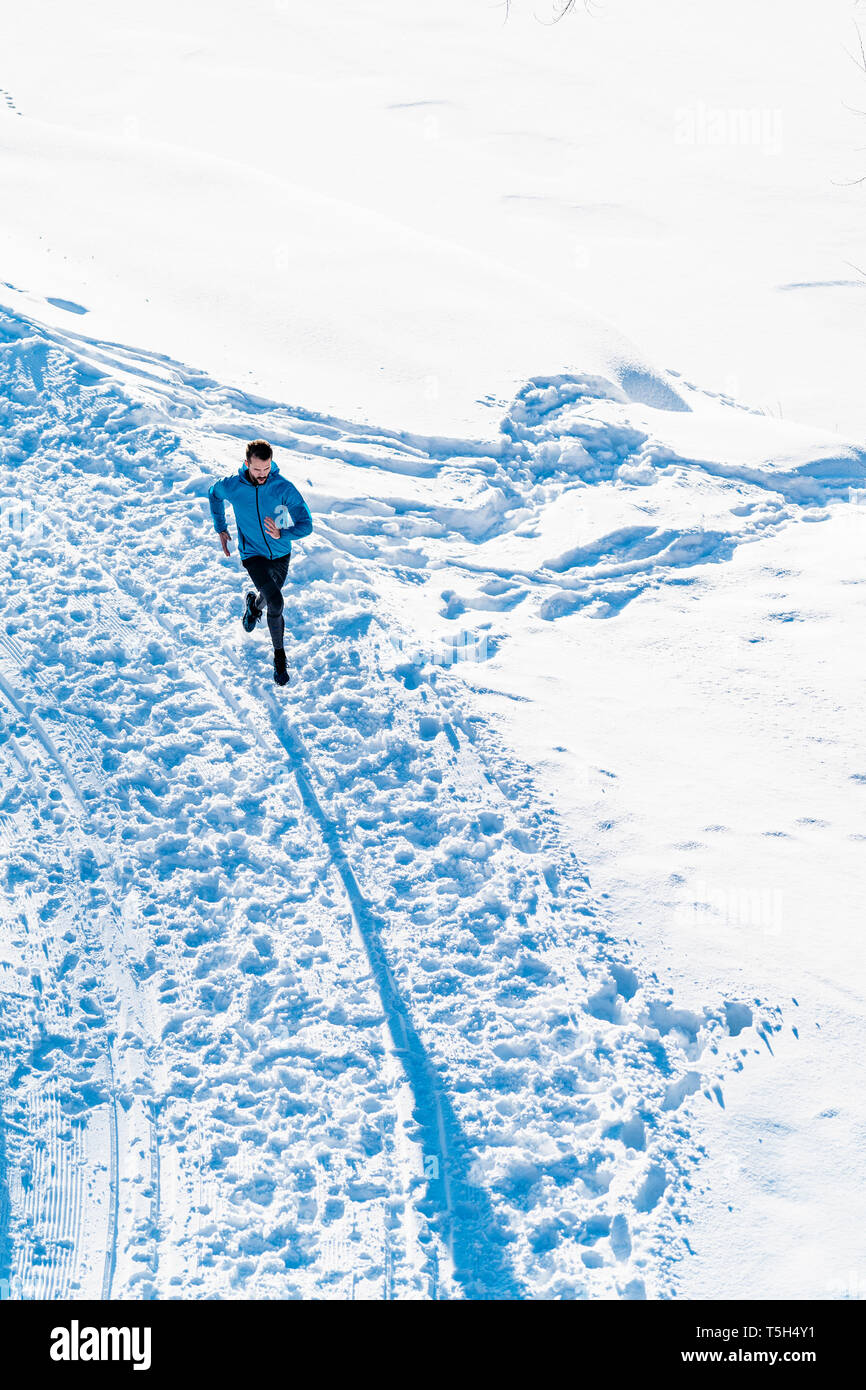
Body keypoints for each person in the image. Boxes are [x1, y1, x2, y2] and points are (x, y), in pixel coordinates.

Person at [208, 440, 313, 685]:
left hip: (280, 554)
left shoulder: (282, 487)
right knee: (276, 600)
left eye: (266, 469)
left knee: (268, 596)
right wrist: (221, 528)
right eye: (257, 470)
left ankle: (253, 606)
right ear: (247, 464)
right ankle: (279, 657)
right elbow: (213, 493)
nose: (262, 475)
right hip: (252, 554)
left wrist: (282, 534)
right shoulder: (233, 486)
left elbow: (306, 524)